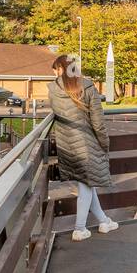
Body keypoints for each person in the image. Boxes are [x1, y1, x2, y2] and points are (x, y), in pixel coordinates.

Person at [48, 54, 118, 241]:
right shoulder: (86, 86)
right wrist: (104, 143)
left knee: (86, 183)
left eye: (56, 69)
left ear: (61, 69)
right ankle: (79, 229)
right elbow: (98, 122)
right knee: (86, 185)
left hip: (66, 144)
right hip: (87, 143)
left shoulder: (53, 89)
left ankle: (104, 221)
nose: (54, 73)